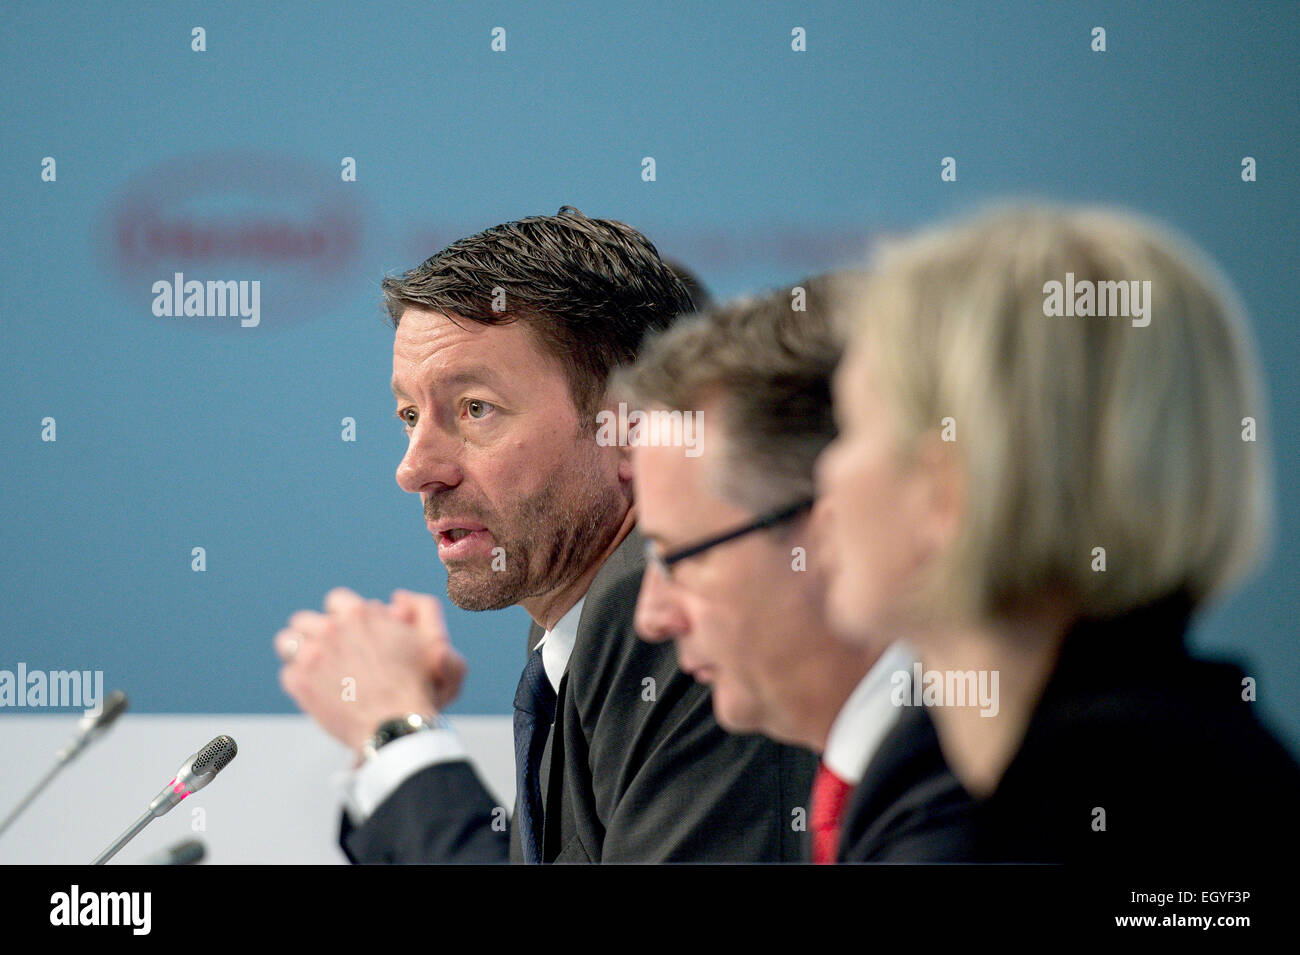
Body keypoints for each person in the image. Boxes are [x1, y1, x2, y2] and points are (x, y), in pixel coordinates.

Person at [274, 207, 813, 862]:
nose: (414, 468)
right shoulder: (568, 630)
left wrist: (399, 732)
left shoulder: (667, 608)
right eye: (409, 415)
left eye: (475, 409)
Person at [815, 203, 1300, 862]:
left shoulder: (1103, 818)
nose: (823, 476)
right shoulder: (1201, 769)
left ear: (945, 490)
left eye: (848, 428)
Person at [618, 274, 974, 862]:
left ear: (835, 525)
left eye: (681, 557)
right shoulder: (886, 792)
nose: (651, 617)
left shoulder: (970, 821)